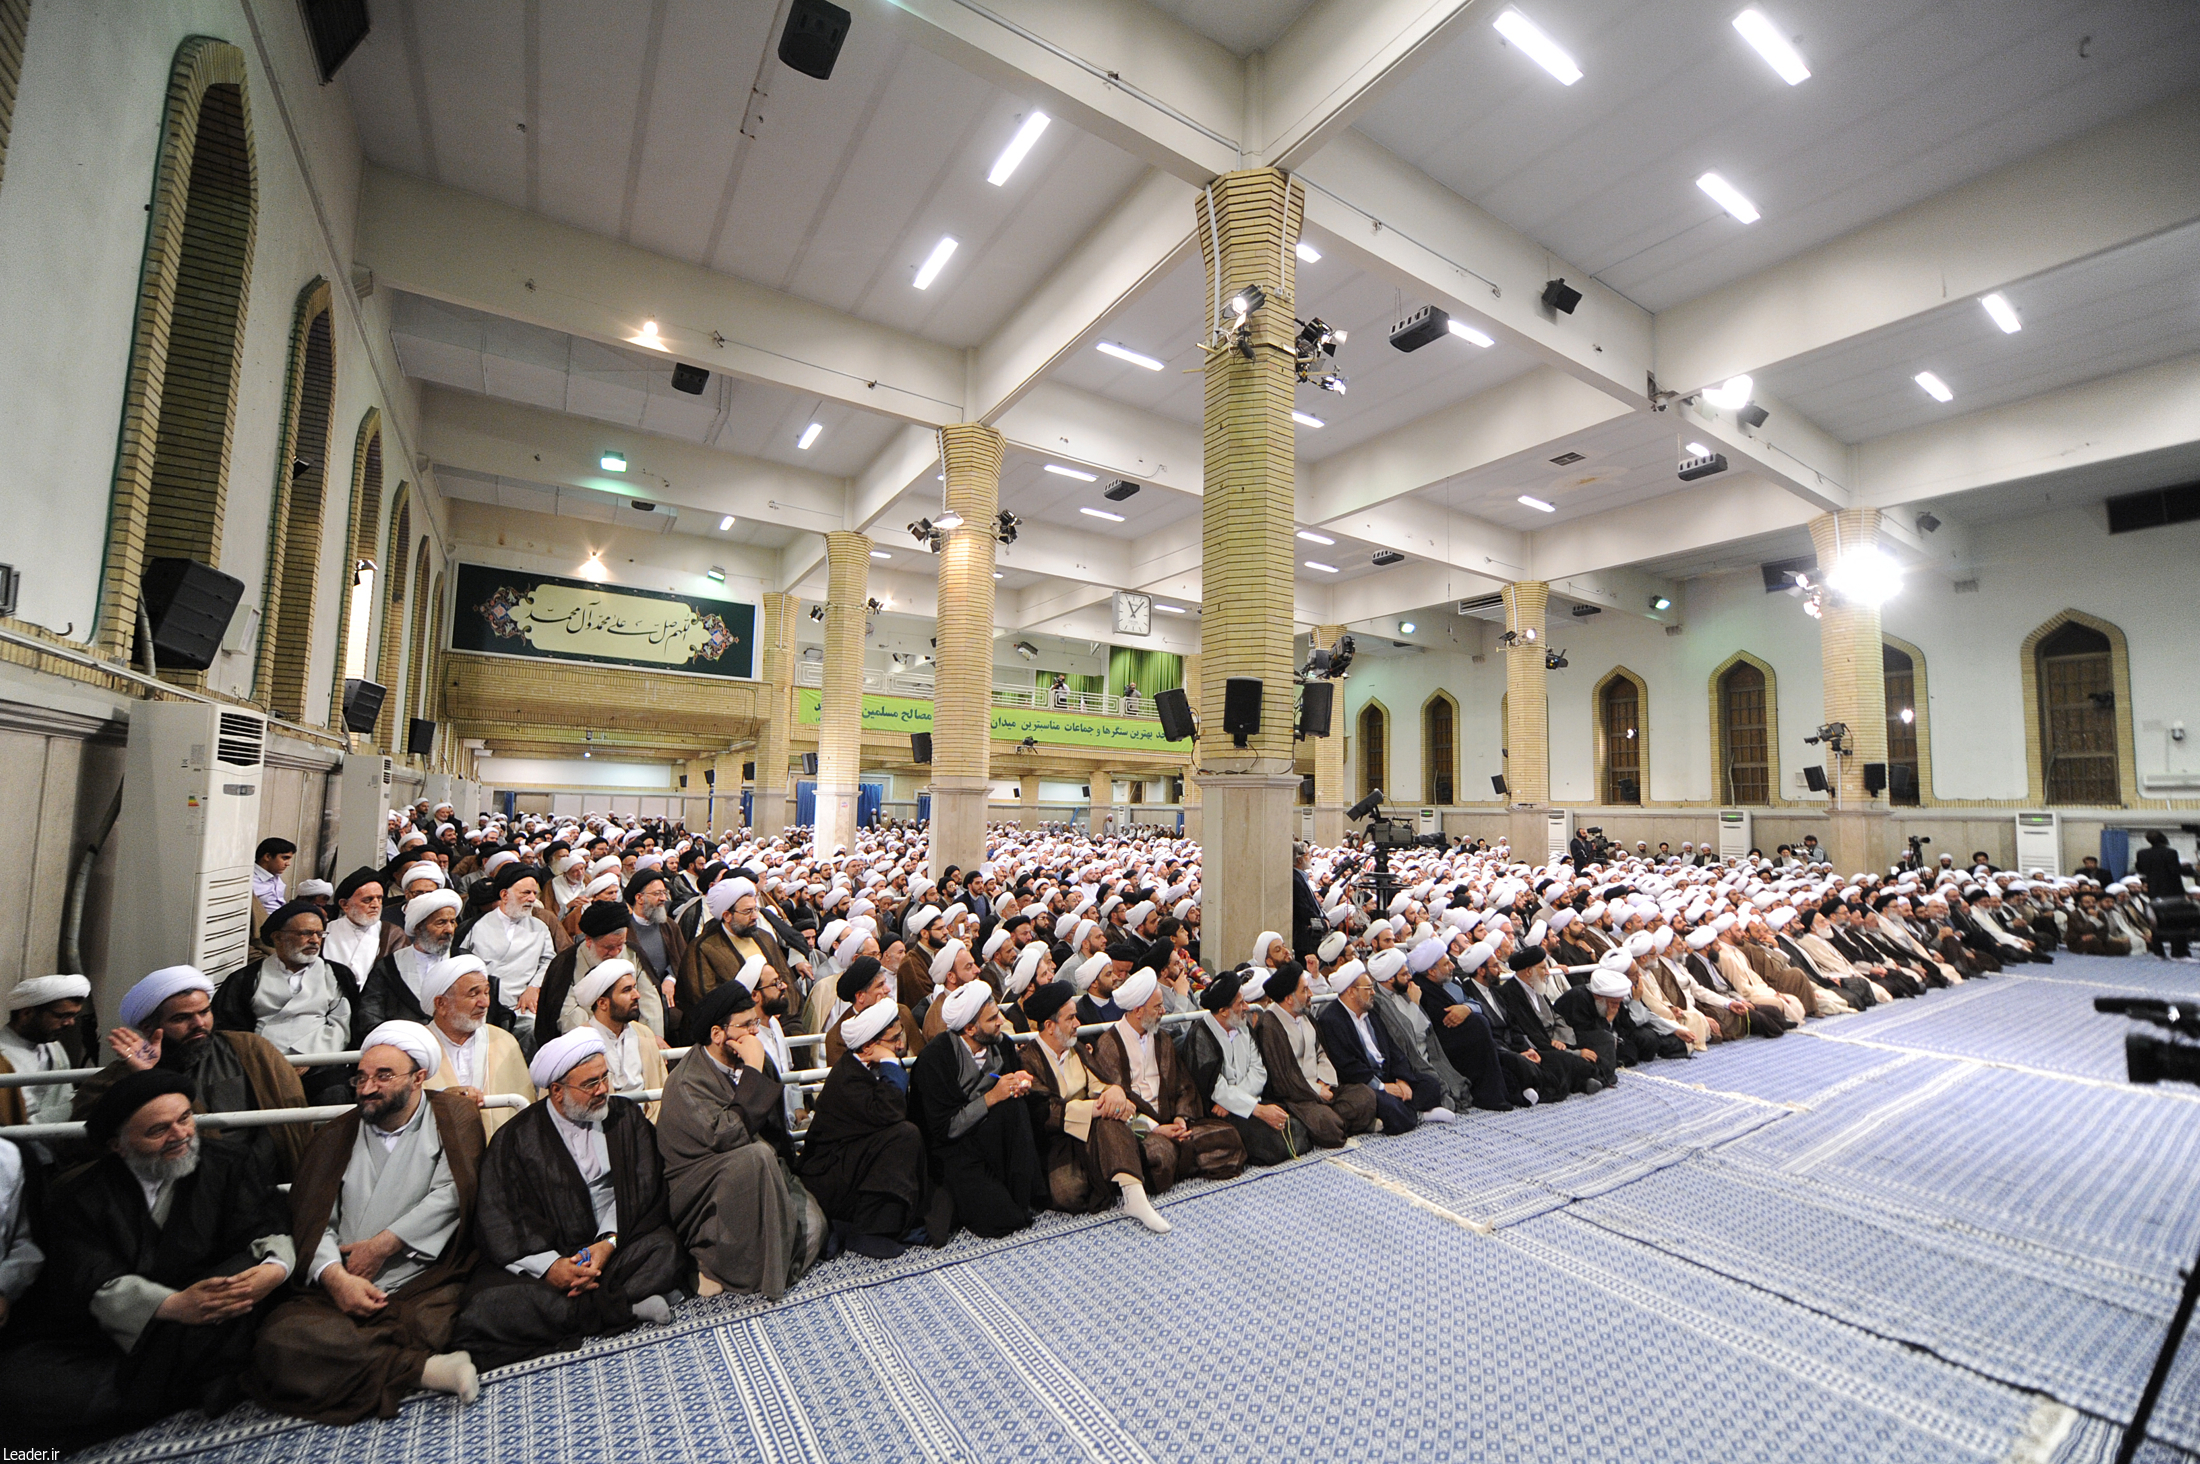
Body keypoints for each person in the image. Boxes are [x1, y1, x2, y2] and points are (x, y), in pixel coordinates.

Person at [3, 1071, 293, 1450]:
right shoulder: (81, 1197)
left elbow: (267, 1227)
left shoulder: (230, 1164)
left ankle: (168, 1384)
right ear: (119, 1145)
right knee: (18, 1384)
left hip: (216, 1314)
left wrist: (270, 1273)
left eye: (185, 1118)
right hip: (126, 1333)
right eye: (158, 1130)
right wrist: (172, 1305)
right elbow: (89, 1276)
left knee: (238, 1286)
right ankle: (187, 1383)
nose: (181, 1135)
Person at [247, 1022, 486, 1422]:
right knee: (278, 1341)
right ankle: (426, 1370)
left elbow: (453, 1194)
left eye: (384, 1076)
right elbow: (313, 1221)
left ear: (418, 1078)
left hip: (423, 1276)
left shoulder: (452, 1115)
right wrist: (336, 1280)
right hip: (343, 1283)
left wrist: (382, 1246)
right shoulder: (334, 1137)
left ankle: (390, 1361)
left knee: (448, 1321)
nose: (368, 1087)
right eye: (361, 1077)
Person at [452, 1030, 681, 1370]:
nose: (603, 1089)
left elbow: (643, 1189)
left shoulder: (625, 1118)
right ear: (557, 1091)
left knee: (666, 1250)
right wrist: (551, 1268)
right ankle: (618, 1307)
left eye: (604, 1077)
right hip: (551, 1259)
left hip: (616, 1249)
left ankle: (580, 1310)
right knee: (485, 1305)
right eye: (590, 1083)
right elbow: (501, 1219)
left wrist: (607, 1244)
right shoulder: (515, 1139)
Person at [656, 980, 825, 1300]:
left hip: (761, 1168)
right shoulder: (686, 1083)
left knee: (815, 1228)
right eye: (746, 1025)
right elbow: (726, 1136)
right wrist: (752, 1070)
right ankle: (712, 1265)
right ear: (718, 1034)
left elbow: (776, 1134)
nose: (754, 1033)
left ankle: (764, 1258)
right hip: (702, 1186)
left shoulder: (756, 1061)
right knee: (756, 1156)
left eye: (755, 1023)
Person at [77, 967, 314, 1179]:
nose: (199, 1024)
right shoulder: (120, 1076)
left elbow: (289, 1125)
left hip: (262, 1176)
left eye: (204, 1012)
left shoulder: (249, 1049)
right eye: (182, 1018)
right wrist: (145, 1077)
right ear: (148, 1028)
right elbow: (81, 1143)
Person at [1019, 980, 1177, 1228]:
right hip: (1057, 1142)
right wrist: (1096, 1107)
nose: (1077, 1024)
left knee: (1131, 1135)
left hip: (1096, 1131)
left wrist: (1114, 1092)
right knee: (1069, 1193)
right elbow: (1044, 1111)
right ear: (1050, 1026)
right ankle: (1119, 1176)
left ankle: (1135, 1198)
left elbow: (1102, 1084)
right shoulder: (1027, 1060)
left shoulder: (1078, 1050)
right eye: (1071, 1018)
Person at [798, 999, 939, 1259]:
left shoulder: (872, 1067)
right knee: (902, 1135)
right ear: (867, 1046)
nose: (900, 1045)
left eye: (901, 1035)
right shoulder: (848, 1077)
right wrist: (889, 1062)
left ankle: (896, 1222)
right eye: (893, 1039)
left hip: (856, 1157)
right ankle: (869, 1230)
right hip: (829, 1173)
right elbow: (890, 1113)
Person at [1083, 968, 1246, 1189]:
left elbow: (1183, 1085)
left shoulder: (1162, 1039)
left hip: (1172, 1121)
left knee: (1229, 1137)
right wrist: (1155, 1129)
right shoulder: (1108, 1045)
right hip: (1140, 1130)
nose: (1163, 1012)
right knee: (1158, 1153)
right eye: (1158, 1007)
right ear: (1138, 1011)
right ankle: (1177, 1159)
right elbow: (1117, 1109)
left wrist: (1180, 1118)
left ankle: (1178, 1157)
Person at [909, 982, 1042, 1239]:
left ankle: (1023, 1192)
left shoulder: (1001, 1045)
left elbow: (1008, 1092)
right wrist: (992, 1096)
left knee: (1015, 1108)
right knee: (1001, 1221)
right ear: (970, 1028)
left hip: (992, 1136)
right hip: (954, 1148)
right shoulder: (935, 1059)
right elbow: (944, 1128)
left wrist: (1018, 1085)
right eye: (992, 1019)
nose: (1001, 1022)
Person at [211, 901, 359, 1103]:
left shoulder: (337, 975)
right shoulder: (245, 979)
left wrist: (309, 1058)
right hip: (261, 1065)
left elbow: (342, 1023)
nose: (315, 940)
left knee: (334, 1093)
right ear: (278, 937)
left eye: (320, 934)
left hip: (322, 1064)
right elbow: (231, 1031)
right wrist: (269, 1060)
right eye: (306, 933)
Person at [1176, 969, 1308, 1167]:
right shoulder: (1201, 1036)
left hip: (1242, 1101)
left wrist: (1243, 1102)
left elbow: (1258, 1071)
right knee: (1270, 1144)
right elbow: (1214, 1089)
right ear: (1223, 1011)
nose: (1247, 1007)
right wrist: (1257, 1110)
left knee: (1297, 1125)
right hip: (1217, 1111)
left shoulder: (1242, 1027)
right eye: (1240, 1003)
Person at [1254, 962, 1376, 1145]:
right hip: (1297, 1097)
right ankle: (1337, 1125)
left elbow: (1321, 1053)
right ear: (1289, 998)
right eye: (1304, 990)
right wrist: (1316, 1091)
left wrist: (1324, 1082)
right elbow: (1283, 1079)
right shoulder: (1269, 1025)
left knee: (1365, 1096)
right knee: (1327, 1123)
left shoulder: (1304, 1015)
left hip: (1322, 1086)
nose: (1310, 995)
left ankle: (1330, 1125)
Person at [1316, 966, 1442, 1133]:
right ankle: (1418, 1115)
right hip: (1364, 1083)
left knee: (1430, 1084)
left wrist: (1401, 1080)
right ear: (1351, 992)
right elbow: (1346, 1066)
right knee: (1387, 1104)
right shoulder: (1331, 1020)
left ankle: (1406, 1112)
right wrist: (1382, 1086)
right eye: (1368, 988)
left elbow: (1393, 1049)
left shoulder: (1371, 1012)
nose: (1373, 992)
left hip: (1387, 1074)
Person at [421, 956, 535, 1139]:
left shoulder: (504, 1041)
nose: (485, 1003)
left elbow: (526, 1111)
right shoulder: (417, 1046)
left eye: (486, 992)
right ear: (441, 1004)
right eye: (473, 994)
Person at [461, 864, 556, 1048]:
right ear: (505, 895)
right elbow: (463, 965)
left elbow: (548, 961)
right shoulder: (477, 927)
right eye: (526, 893)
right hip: (484, 1003)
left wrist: (534, 987)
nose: (532, 899)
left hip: (524, 1005)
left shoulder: (540, 927)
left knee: (534, 1030)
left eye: (534, 893)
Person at [570, 959, 668, 1121]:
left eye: (634, 988)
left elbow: (663, 1089)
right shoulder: (578, 1043)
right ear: (602, 1003)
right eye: (626, 990)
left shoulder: (644, 1034)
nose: (637, 995)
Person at [356, 890, 466, 1034]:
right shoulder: (389, 966)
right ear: (418, 927)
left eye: (452, 922)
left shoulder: (463, 960)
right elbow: (370, 1015)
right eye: (441, 923)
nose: (449, 930)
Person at [1, 973, 91, 1131]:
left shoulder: (52, 1046)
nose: (70, 1023)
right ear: (26, 1013)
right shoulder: (3, 1059)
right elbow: (21, 1124)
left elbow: (63, 1097)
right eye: (63, 1016)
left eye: (74, 1015)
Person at [823, 955, 925, 1066]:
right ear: (861, 996)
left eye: (885, 983)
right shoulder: (837, 1037)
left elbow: (920, 1057)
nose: (887, 989)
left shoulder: (901, 1012)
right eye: (880, 985)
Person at [252, 837, 296, 917]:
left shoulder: (276, 877)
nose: (288, 864)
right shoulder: (251, 880)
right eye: (285, 858)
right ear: (267, 857)